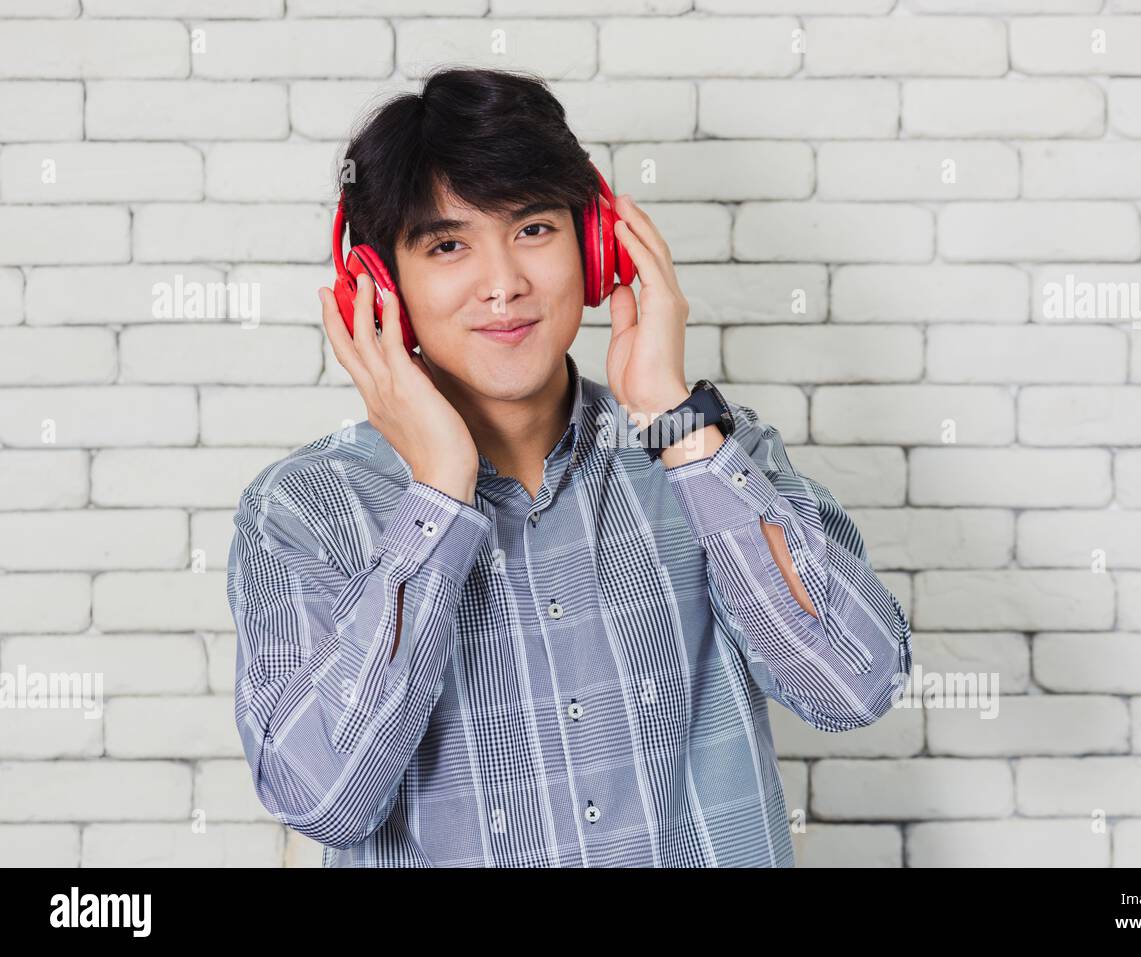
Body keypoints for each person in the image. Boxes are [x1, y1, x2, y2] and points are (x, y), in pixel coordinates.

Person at [226, 66, 912, 868]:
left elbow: (853, 686)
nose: (504, 285)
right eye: (448, 245)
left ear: (595, 243)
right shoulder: (303, 508)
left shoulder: (718, 459)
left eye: (534, 230)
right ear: (378, 289)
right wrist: (439, 499)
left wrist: (677, 419)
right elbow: (321, 800)